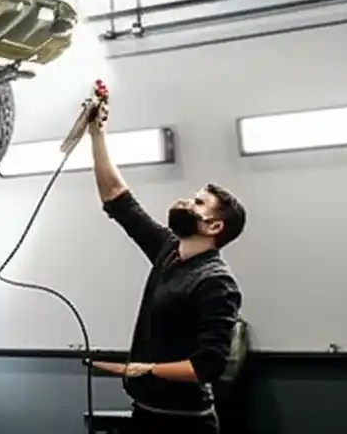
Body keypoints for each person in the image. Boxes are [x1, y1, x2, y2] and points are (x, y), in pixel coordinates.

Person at [86, 98, 246, 434]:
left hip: (185, 425)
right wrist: (96, 133)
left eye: (198, 202)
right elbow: (118, 199)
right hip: (144, 414)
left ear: (213, 226)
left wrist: (146, 369)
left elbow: (208, 365)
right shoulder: (167, 250)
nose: (187, 201)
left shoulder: (217, 283)